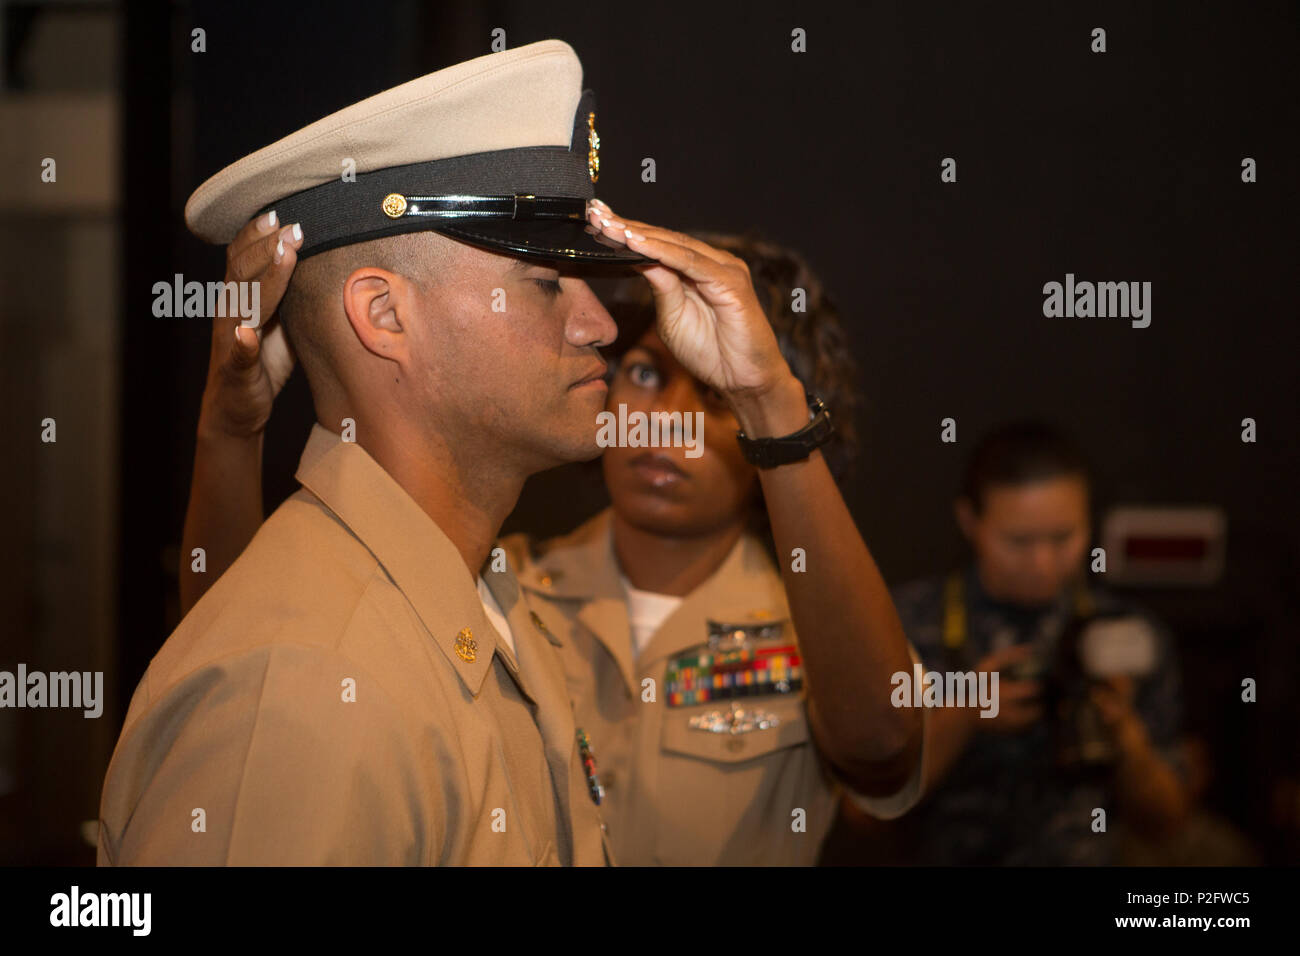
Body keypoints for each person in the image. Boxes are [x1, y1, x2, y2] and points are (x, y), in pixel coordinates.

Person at [178, 216, 928, 864]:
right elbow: (248, 655)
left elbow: (881, 748)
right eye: (641, 371)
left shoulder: (820, 627)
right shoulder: (500, 588)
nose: (664, 419)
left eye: (711, 392)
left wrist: (768, 404)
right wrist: (229, 432)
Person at [100, 39, 667, 866]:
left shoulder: (486, 602)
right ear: (386, 317)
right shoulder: (301, 687)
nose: (601, 325)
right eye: (546, 283)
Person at [835, 422, 1189, 865]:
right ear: (969, 521)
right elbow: (862, 816)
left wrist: (1124, 736)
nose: (1042, 562)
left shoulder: (1126, 634)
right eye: (1019, 541)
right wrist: (963, 712)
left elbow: (1167, 823)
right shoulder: (900, 627)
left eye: (1063, 538)